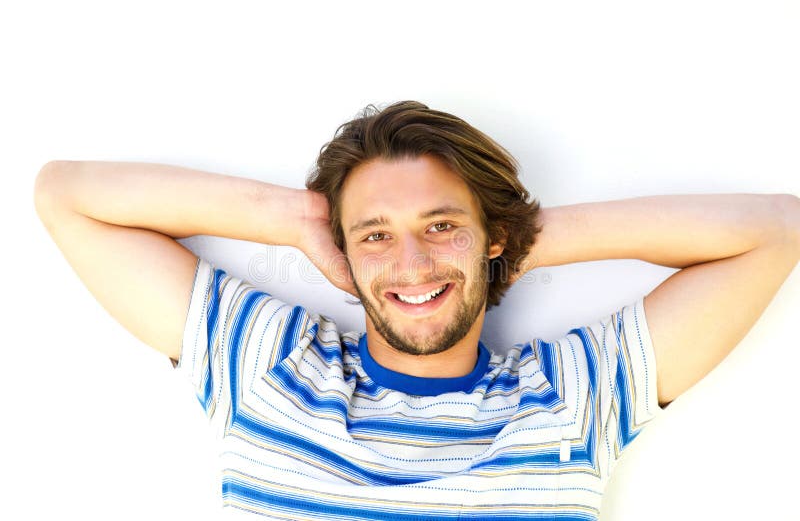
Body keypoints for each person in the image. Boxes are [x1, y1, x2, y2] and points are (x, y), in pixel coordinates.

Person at [33, 100, 800, 520]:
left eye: (440, 226)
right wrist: (301, 220)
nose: (411, 265)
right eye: (376, 236)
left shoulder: (572, 394)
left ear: (489, 235)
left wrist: (514, 238)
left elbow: (775, 231)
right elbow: (66, 196)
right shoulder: (266, 366)